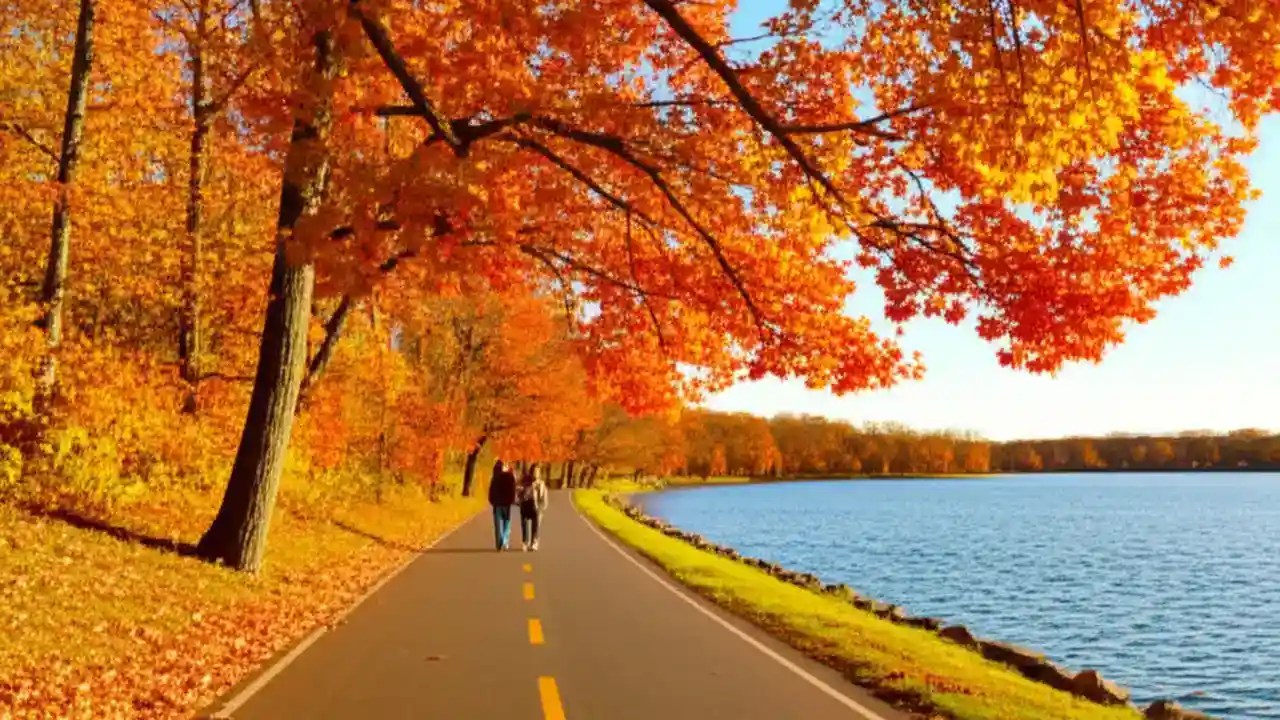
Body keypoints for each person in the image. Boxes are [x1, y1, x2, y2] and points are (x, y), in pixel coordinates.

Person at [517, 466, 549, 551]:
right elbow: (519, 493)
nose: (536, 474)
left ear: (540, 474)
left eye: (537, 472)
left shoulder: (541, 484)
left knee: (536, 525)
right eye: (534, 472)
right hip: (526, 505)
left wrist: (543, 507)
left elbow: (544, 496)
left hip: (537, 507)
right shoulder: (526, 483)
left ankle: (534, 542)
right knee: (524, 524)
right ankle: (525, 542)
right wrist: (521, 499)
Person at [487, 460, 517, 551]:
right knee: (503, 523)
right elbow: (512, 489)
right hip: (502, 503)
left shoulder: (499, 477)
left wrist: (492, 500)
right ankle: (502, 542)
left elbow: (491, 490)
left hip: (501, 503)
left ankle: (501, 542)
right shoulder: (506, 476)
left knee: (501, 524)